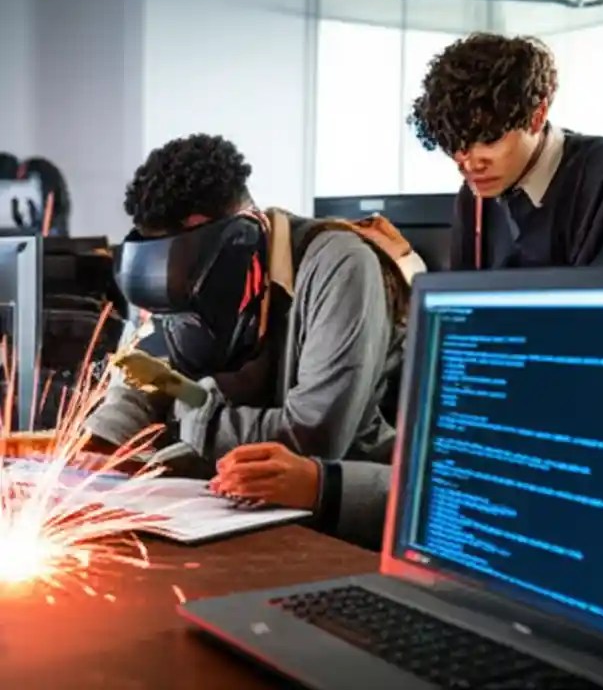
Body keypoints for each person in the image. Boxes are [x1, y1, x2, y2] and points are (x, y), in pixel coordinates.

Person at [82, 134, 408, 547]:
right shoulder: (179, 277)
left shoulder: (339, 264)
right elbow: (145, 365)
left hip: (341, 521)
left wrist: (188, 417)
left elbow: (317, 435)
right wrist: (101, 446)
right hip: (231, 503)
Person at [407, 32, 603, 269]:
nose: (471, 165)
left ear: (538, 116)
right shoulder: (473, 198)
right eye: (454, 144)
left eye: (489, 139)